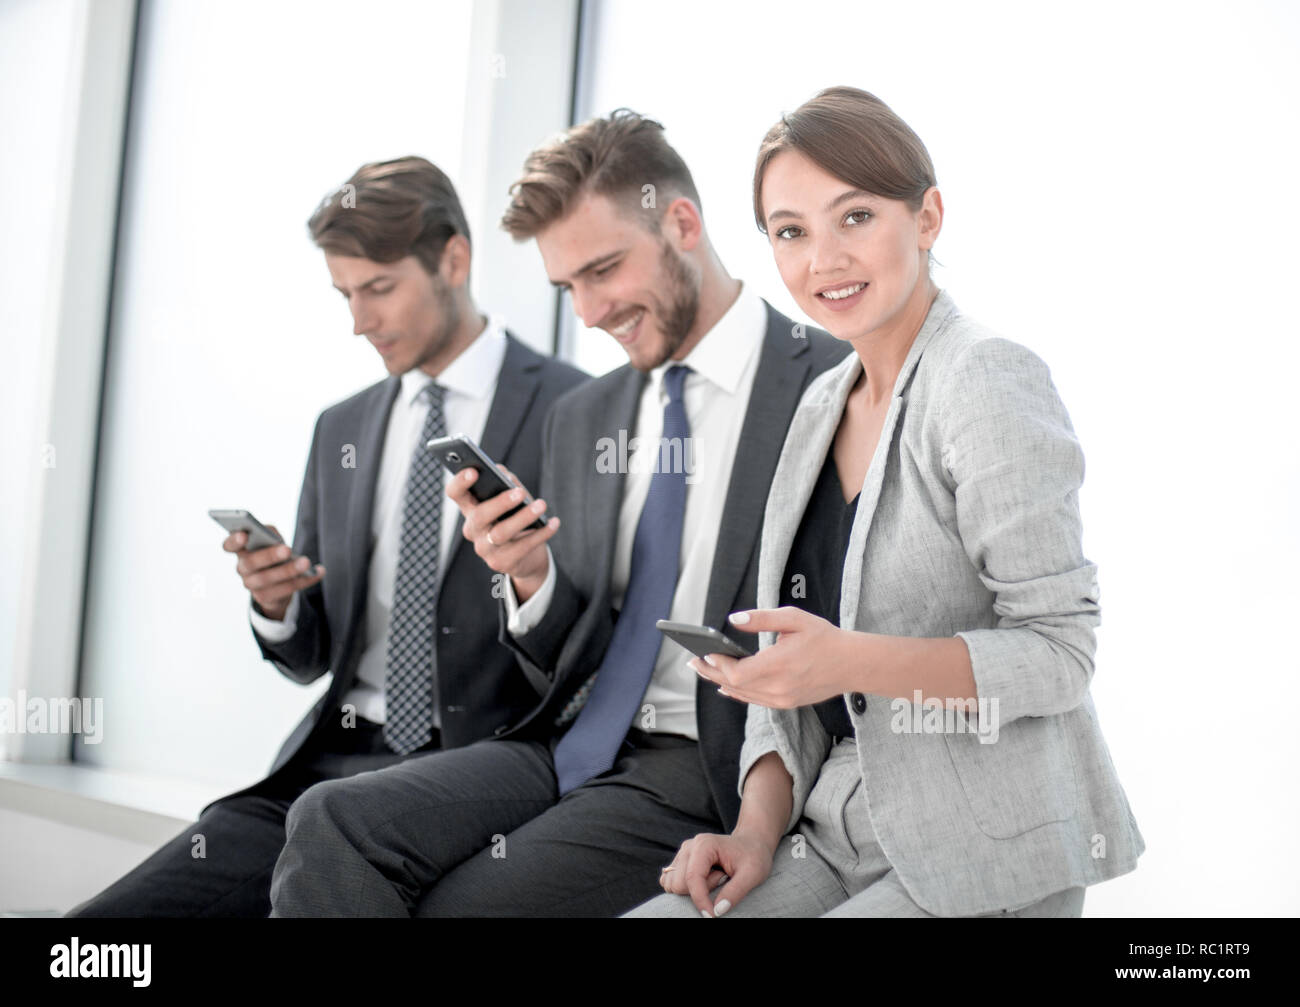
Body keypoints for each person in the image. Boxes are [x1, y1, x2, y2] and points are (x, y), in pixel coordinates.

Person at [268, 110, 850, 917]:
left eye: (604, 270)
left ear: (683, 223)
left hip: (704, 753)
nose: (588, 312)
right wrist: (531, 575)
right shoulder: (587, 413)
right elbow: (573, 652)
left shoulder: (829, 384)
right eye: (567, 286)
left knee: (463, 904)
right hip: (567, 738)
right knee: (328, 820)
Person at [630, 86, 1144, 919]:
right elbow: (791, 684)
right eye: (791, 232)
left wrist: (849, 660)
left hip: (981, 848)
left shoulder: (984, 378)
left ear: (928, 217)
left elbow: (1060, 651)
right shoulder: (818, 406)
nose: (822, 258)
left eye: (856, 217)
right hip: (833, 832)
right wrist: (755, 834)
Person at [69, 156, 587, 917]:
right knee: (96, 941)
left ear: (454, 259)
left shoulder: (573, 410)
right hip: (327, 766)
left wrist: (531, 579)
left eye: (378, 288)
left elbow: (586, 654)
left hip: (474, 769)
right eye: (345, 295)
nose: (359, 320)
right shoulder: (342, 428)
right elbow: (312, 655)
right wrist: (277, 606)